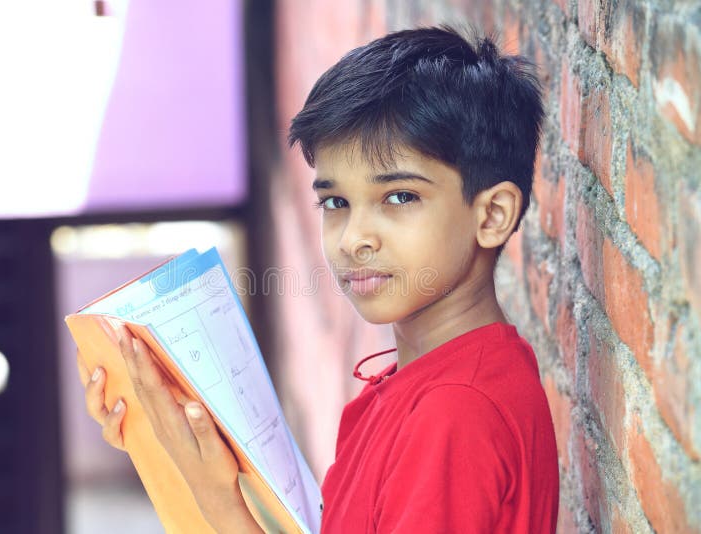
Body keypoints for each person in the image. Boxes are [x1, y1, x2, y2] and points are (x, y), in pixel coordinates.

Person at [77, 25, 559, 533]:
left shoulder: (454, 415)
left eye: (399, 197)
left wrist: (215, 494)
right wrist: (168, 447)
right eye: (336, 202)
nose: (353, 238)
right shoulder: (424, 385)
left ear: (492, 215)